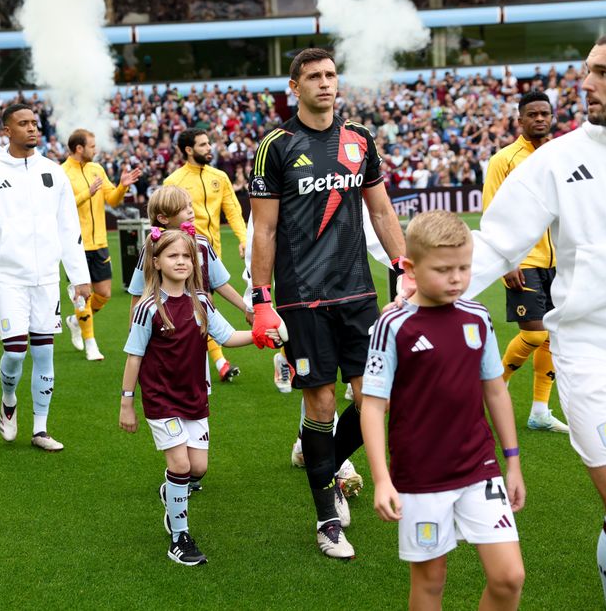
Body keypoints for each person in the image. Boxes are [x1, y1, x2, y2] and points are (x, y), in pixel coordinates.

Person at [460, 29, 606, 611]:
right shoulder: (558, 158)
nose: (586, 83)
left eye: (603, 72)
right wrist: (422, 292)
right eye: (587, 70)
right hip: (594, 357)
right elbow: (495, 242)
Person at [250, 48, 407, 559]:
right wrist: (262, 300)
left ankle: (325, 465)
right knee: (319, 404)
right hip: (303, 300)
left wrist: (404, 270)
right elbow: (264, 229)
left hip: (358, 293)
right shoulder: (275, 146)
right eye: (314, 76)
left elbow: (381, 212)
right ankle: (326, 519)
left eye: (331, 75)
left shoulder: (359, 139)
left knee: (372, 401)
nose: (325, 83)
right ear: (294, 87)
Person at [362, 210, 525, 610]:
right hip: (420, 476)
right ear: (411, 269)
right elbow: (373, 407)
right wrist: (381, 479)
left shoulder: (477, 317)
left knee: (509, 577)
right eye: (443, 270)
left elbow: (495, 391)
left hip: (479, 466)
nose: (456, 278)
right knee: (431, 581)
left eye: (464, 268)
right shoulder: (393, 325)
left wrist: (513, 461)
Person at [119, 227, 263, 566]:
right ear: (156, 262)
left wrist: (261, 335)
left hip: (194, 397)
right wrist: (127, 403)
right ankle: (179, 538)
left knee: (198, 467)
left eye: (186, 256)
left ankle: (172, 493)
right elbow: (134, 357)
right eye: (173, 256)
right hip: (161, 400)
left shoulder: (202, 302)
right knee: (180, 465)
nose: (181, 261)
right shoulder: (147, 308)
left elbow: (228, 337)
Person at [0, 103, 91, 452]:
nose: (32, 128)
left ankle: (40, 429)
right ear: (7, 131)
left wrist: (79, 276)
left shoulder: (52, 172)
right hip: (8, 278)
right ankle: (8, 398)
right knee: (15, 353)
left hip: (47, 279)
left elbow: (69, 227)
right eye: (23, 123)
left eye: (34, 123)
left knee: (44, 354)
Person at [482, 90, 568, 434]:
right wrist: (508, 261)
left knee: (553, 336)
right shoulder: (503, 160)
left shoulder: (560, 155)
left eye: (545, 113)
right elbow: (491, 211)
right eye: (532, 114)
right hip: (523, 259)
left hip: (559, 260)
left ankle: (540, 412)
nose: (540, 119)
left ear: (552, 116)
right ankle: (494, 387)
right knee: (535, 334)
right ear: (520, 120)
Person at [128, 186, 251, 399]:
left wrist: (248, 309)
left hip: (194, 323)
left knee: (195, 387)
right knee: (165, 387)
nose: (191, 211)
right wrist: (134, 334)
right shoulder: (152, 247)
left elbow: (220, 284)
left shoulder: (201, 244)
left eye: (190, 206)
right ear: (163, 218)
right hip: (163, 324)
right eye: (183, 208)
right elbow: (138, 293)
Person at [165, 128, 249, 381]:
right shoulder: (173, 181)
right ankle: (219, 362)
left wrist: (243, 239)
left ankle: (205, 359)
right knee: (202, 306)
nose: (209, 147)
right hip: (187, 255)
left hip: (214, 254)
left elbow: (233, 211)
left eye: (208, 143)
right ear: (189, 150)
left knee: (203, 307)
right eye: (203, 144)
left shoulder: (219, 177)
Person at [62, 128, 142, 361]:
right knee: (82, 295)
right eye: (92, 146)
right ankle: (91, 344)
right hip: (75, 245)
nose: (95, 150)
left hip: (99, 243)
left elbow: (112, 201)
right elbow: (61, 207)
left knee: (104, 294)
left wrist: (122, 186)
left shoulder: (97, 169)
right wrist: (86, 194)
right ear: (79, 148)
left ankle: (75, 321)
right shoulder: (62, 173)